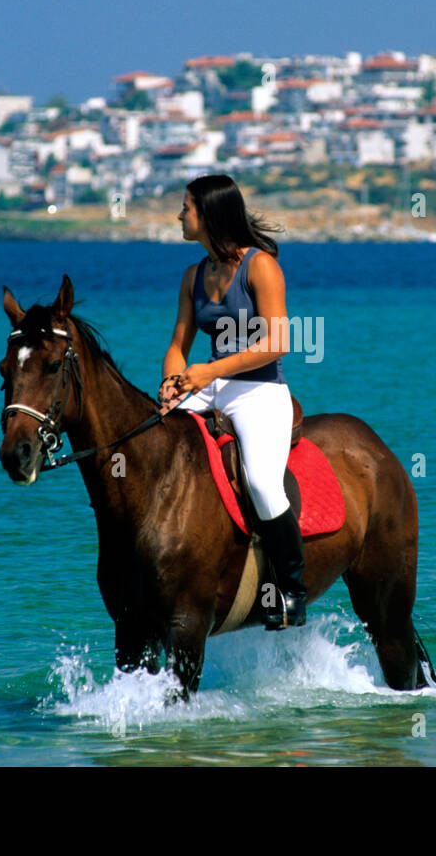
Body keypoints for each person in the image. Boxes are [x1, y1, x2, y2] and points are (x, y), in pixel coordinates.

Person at [158, 174, 306, 630]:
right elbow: (178, 344)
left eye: (186, 208)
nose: (179, 215)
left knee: (262, 483)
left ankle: (293, 592)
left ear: (209, 214)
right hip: (208, 384)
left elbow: (278, 342)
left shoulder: (261, 267)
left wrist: (208, 372)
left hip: (260, 391)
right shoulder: (192, 276)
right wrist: (171, 383)